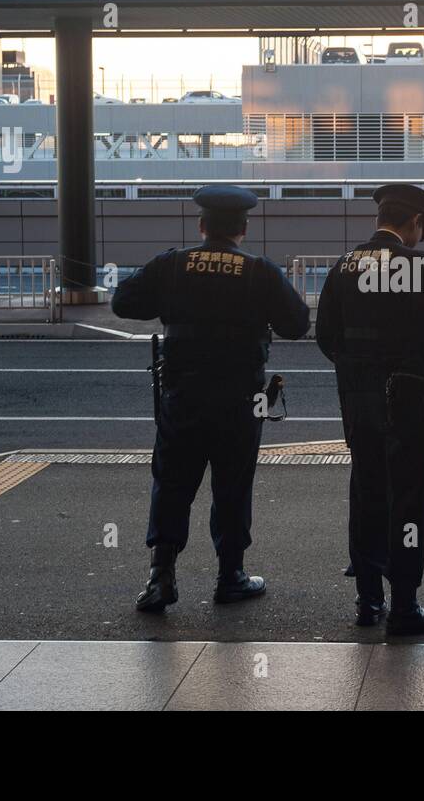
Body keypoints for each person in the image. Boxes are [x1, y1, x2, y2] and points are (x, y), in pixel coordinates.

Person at [113, 185, 310, 612]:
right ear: (243, 228)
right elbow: (297, 324)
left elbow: (122, 301)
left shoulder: (174, 264)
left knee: (172, 483)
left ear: (201, 226)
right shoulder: (260, 271)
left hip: (183, 395)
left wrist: (170, 298)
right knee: (233, 486)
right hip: (242, 400)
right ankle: (230, 576)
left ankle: (161, 576)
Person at [315, 183, 424, 635]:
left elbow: (326, 336)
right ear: (416, 222)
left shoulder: (344, 265)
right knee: (409, 498)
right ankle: (405, 604)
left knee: (366, 490)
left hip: (357, 400)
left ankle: (368, 600)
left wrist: (357, 370)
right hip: (409, 399)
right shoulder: (421, 267)